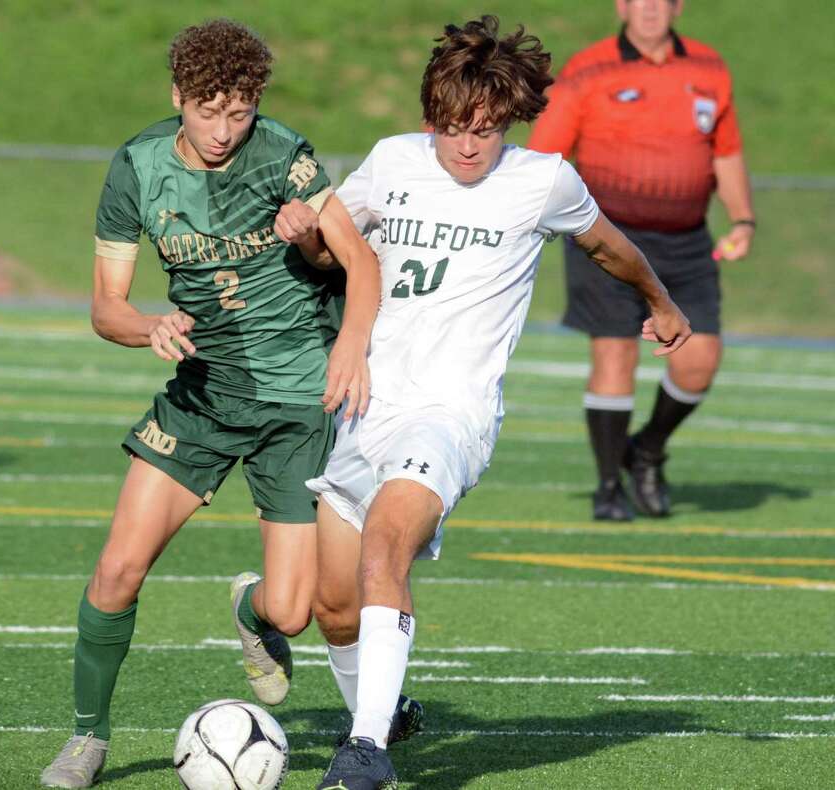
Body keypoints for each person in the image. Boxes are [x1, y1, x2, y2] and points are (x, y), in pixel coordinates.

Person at [274, 16, 691, 789]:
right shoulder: (392, 160)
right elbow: (336, 251)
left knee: (384, 552)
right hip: (366, 408)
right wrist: (304, 233)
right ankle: (384, 712)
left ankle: (365, 753)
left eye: (488, 131)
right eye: (456, 129)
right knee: (333, 611)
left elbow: (609, 245)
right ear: (432, 116)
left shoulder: (544, 181)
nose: (470, 146)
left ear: (510, 123)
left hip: (451, 416)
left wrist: (659, 300)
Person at [40, 19, 382, 788]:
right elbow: (106, 307)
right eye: (206, 111)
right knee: (117, 571)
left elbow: (360, 259)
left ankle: (252, 612)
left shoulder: (285, 156)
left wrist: (351, 344)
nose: (224, 131)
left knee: (293, 612)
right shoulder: (138, 166)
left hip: (296, 405)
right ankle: (87, 740)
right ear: (177, 97)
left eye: (239, 113)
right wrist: (149, 325)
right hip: (201, 396)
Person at [528, 0, 754, 520]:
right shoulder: (588, 69)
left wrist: (743, 220)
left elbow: (727, 150)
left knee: (699, 361)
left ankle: (646, 451)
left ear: (679, 7)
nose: (650, 9)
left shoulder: (709, 67)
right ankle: (609, 486)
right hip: (607, 237)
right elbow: (546, 157)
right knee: (615, 356)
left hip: (687, 241)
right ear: (622, 6)